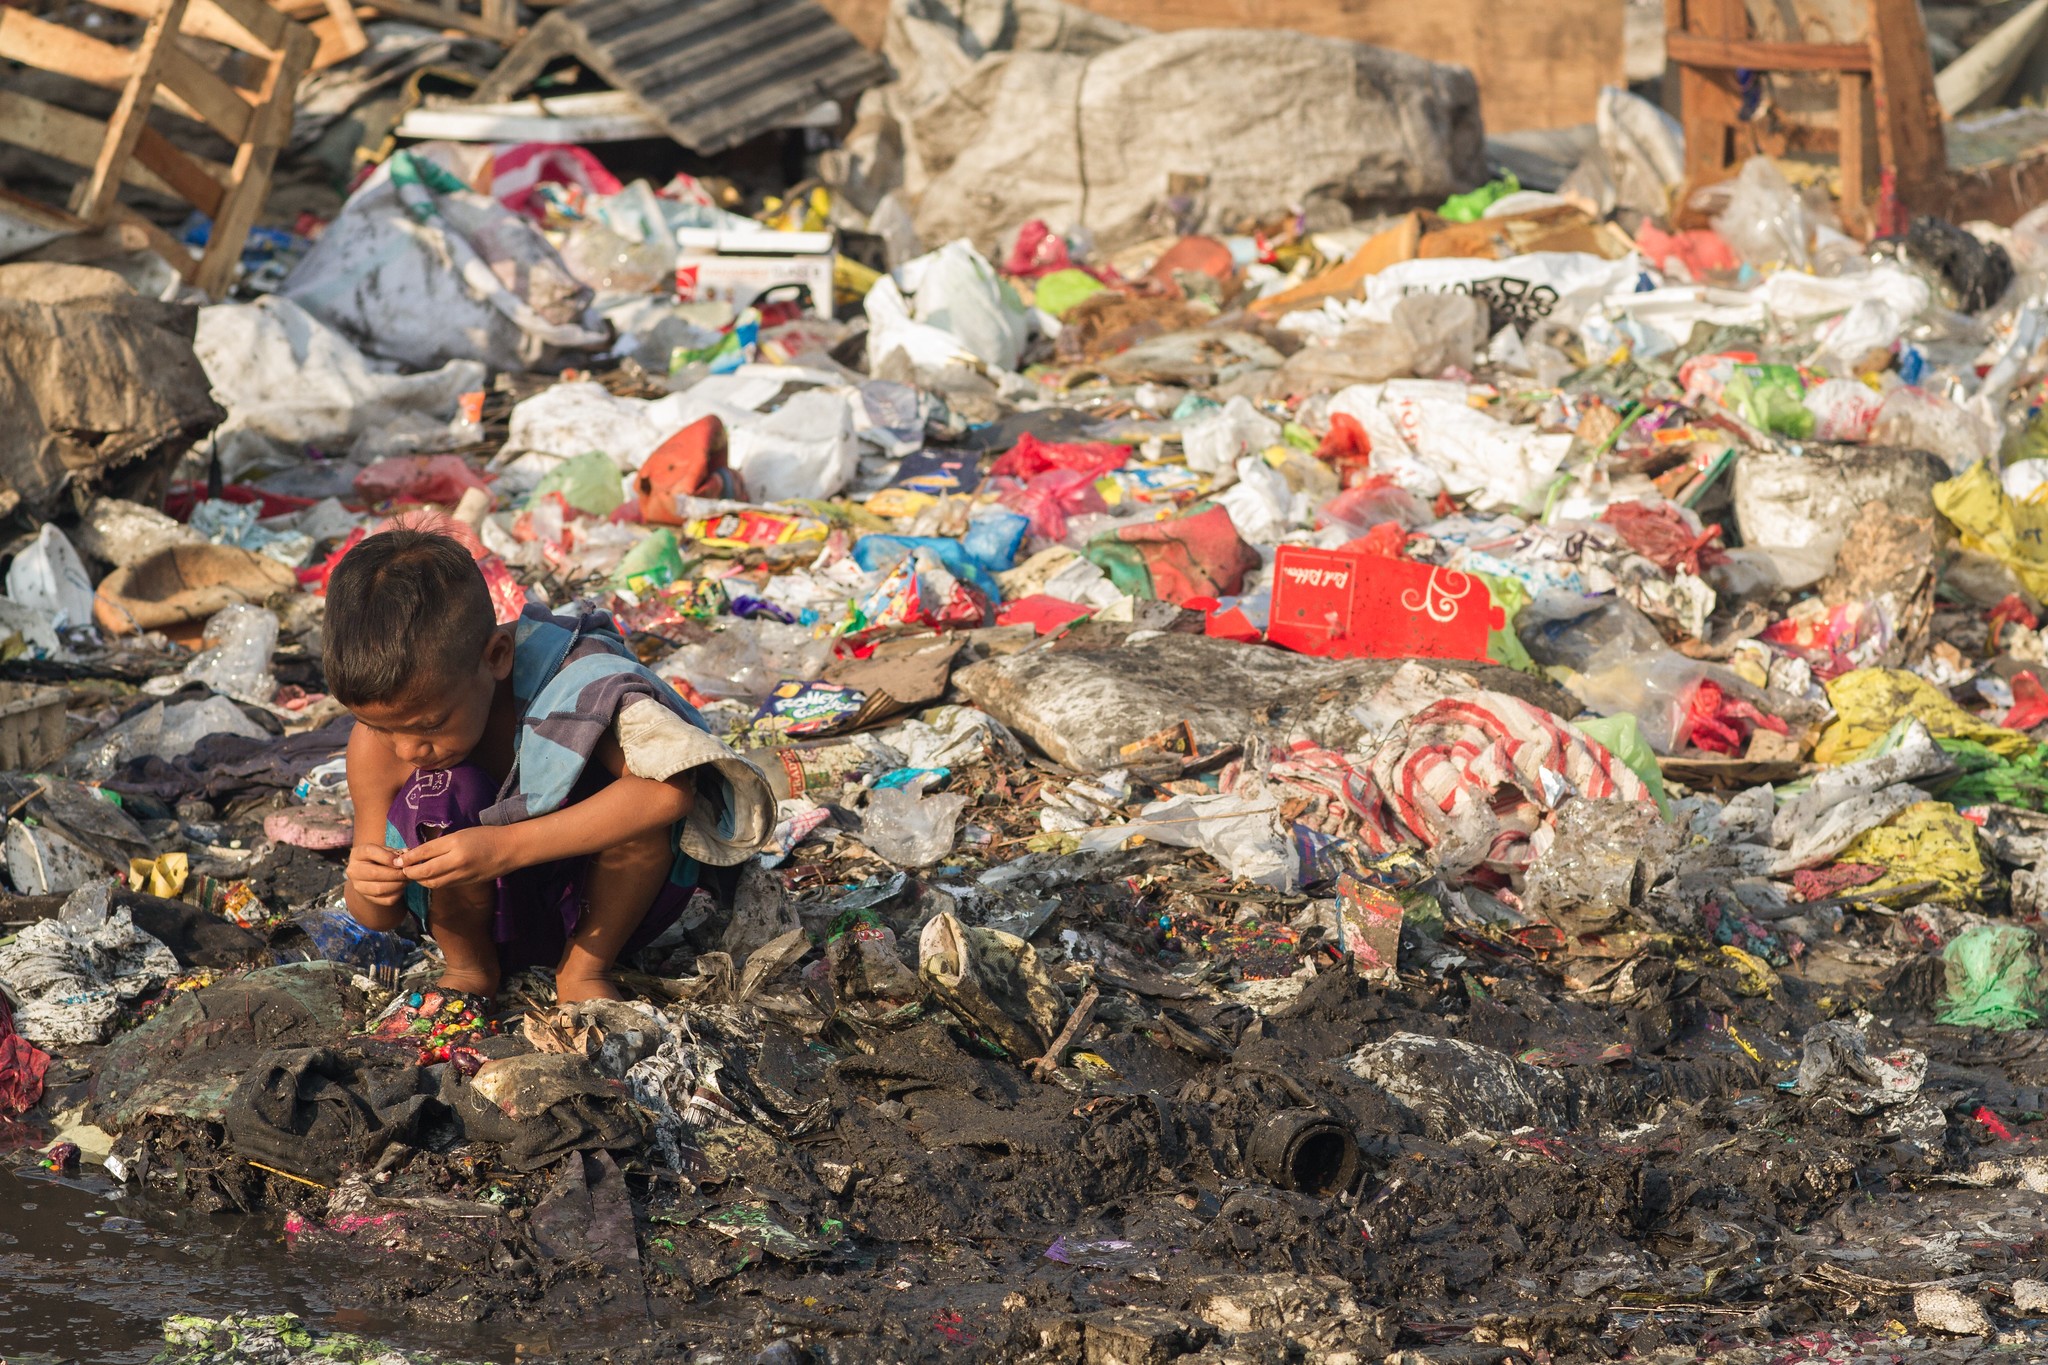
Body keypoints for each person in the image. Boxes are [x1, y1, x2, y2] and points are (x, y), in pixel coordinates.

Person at [326, 527, 773, 1022]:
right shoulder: (378, 746)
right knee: (440, 792)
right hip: (482, 917)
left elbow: (668, 794)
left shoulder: (574, 677)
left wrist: (503, 848)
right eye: (380, 727)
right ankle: (471, 969)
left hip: (608, 912)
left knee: (633, 806)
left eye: (430, 724)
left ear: (496, 656)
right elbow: (374, 915)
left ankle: (583, 971)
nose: (408, 748)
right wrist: (371, 887)